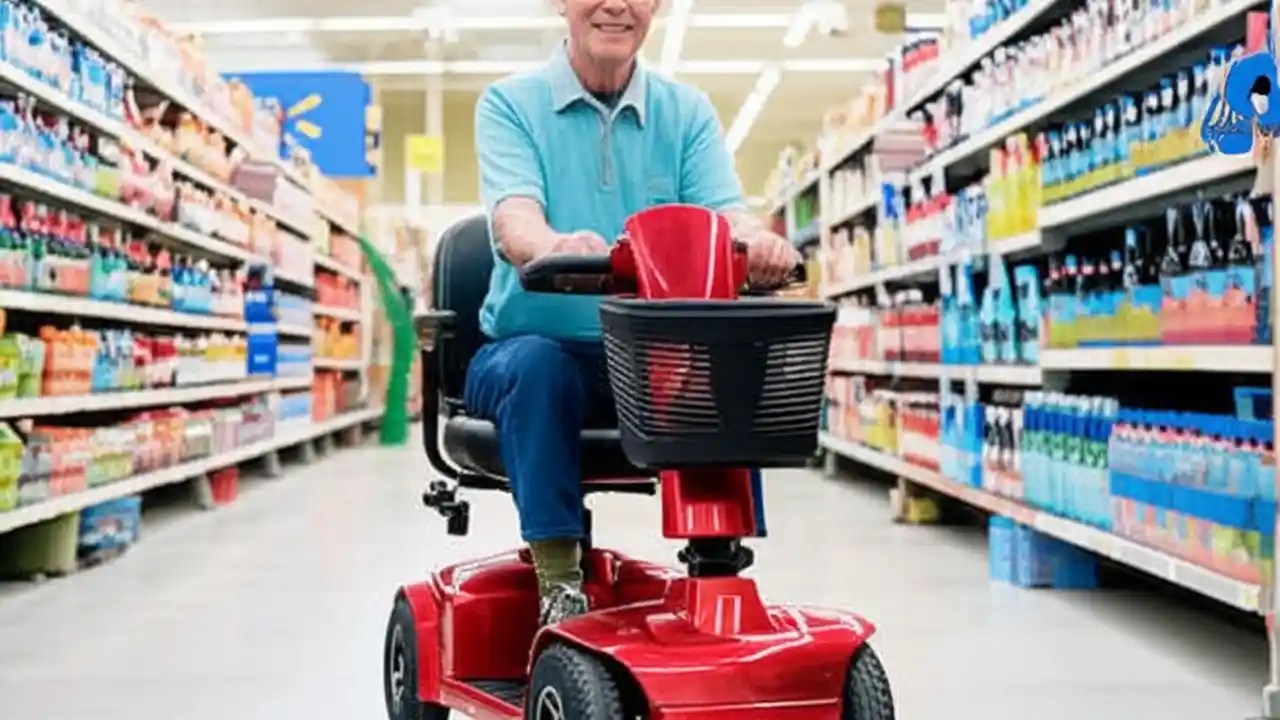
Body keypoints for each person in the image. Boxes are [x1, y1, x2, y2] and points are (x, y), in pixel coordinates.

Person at [467, 0, 801, 626]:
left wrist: (756, 242)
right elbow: (515, 219)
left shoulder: (686, 113)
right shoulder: (511, 103)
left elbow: (724, 213)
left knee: (723, 356)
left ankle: (719, 571)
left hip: (647, 359)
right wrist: (551, 247)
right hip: (529, 350)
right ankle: (560, 581)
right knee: (541, 368)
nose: (617, 4)